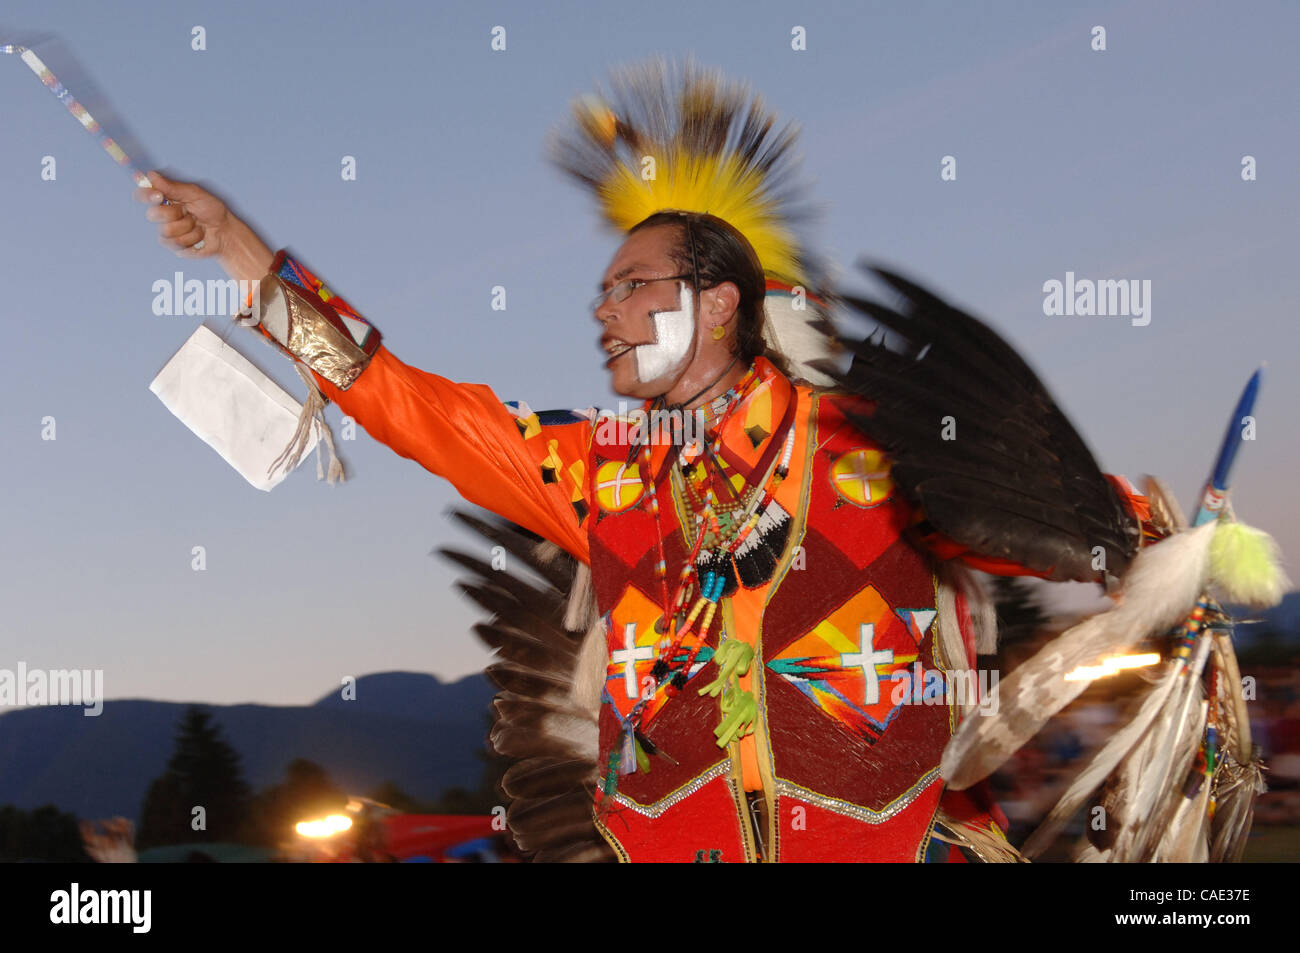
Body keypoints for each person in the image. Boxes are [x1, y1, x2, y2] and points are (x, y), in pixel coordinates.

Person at [135, 63, 1148, 862]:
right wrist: (237, 249)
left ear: (719, 305)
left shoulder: (865, 447)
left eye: (632, 285)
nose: (602, 307)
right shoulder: (603, 469)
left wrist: (1144, 537)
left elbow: (1064, 529)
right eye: (603, 289)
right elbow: (408, 404)